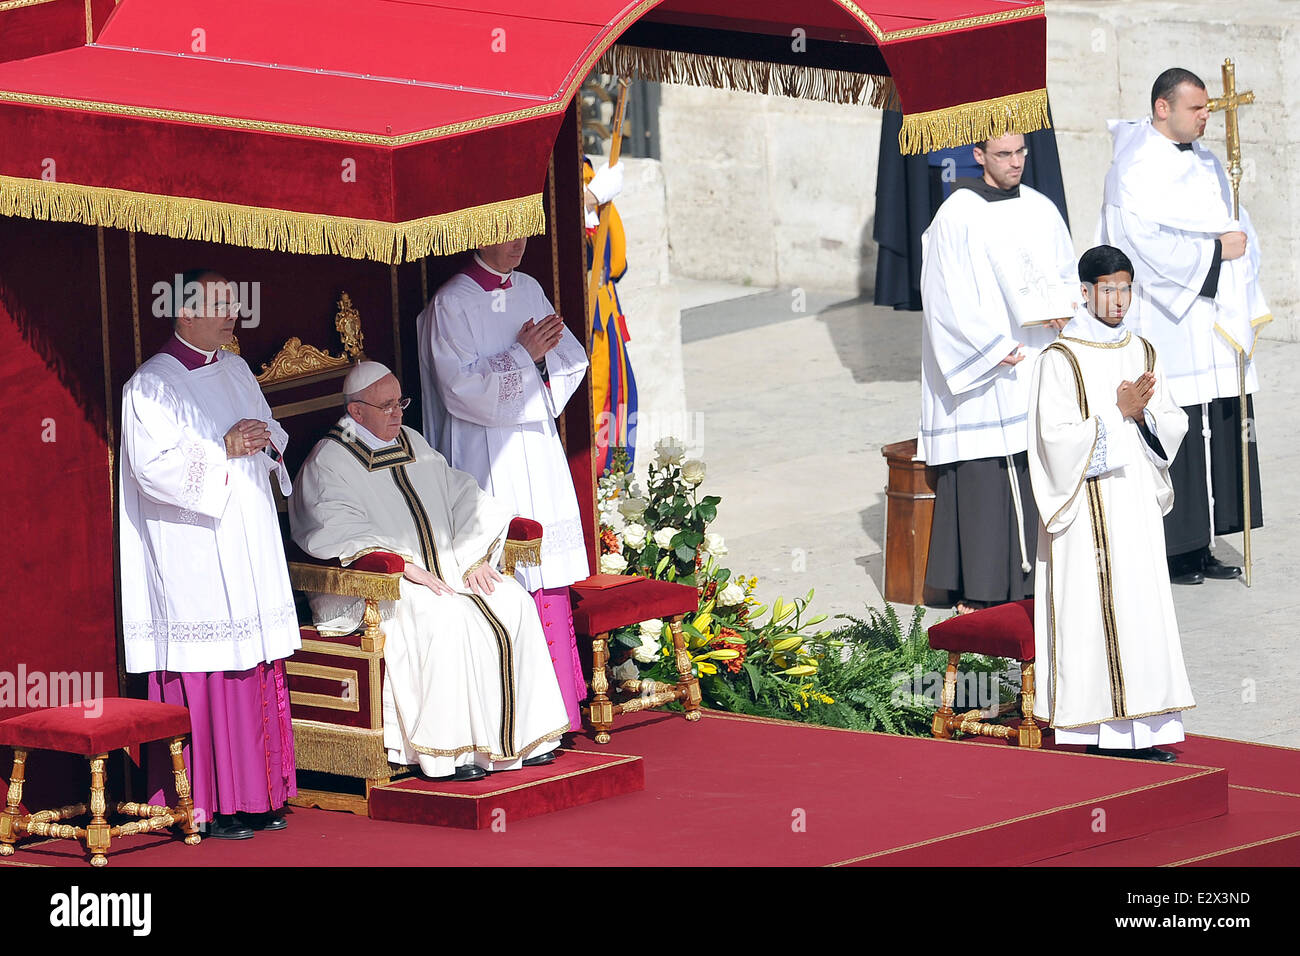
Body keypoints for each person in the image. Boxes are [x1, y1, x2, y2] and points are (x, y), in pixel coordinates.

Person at [289, 362, 570, 781]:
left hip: (448, 566)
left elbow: (461, 494)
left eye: (400, 401)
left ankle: (529, 741)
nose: (398, 412)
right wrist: (401, 566)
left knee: (512, 601)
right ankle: (452, 755)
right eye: (385, 406)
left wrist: (474, 553)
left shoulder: (411, 441)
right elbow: (332, 528)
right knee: (445, 616)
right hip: (381, 584)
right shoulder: (329, 460)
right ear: (356, 411)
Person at [119, 269, 298, 839]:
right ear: (185, 313)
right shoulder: (151, 386)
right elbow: (152, 470)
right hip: (194, 547)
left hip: (248, 537)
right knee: (213, 665)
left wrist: (263, 441)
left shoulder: (238, 368)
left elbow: (270, 432)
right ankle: (205, 804)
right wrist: (223, 447)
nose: (234, 316)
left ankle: (258, 794)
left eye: (235, 305)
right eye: (222, 306)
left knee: (253, 656)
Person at [1098, 67, 1268, 586]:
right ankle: (1179, 548)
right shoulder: (1133, 168)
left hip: (1214, 320)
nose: (1206, 117)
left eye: (1207, 108)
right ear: (1162, 108)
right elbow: (1140, 249)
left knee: (1223, 423)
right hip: (1169, 316)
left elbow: (1240, 226)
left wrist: (1240, 259)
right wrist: (1214, 253)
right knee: (1181, 430)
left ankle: (1213, 537)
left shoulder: (1210, 161)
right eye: (1197, 109)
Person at [1027, 245, 1194, 761]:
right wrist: (1117, 414)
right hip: (1085, 510)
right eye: (1108, 289)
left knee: (1140, 611)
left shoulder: (1143, 350)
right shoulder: (1060, 359)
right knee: (1090, 616)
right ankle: (1093, 734)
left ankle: (1143, 731)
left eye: (1125, 288)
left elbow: (1171, 421)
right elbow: (1051, 442)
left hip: (1135, 506)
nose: (1118, 300)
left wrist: (1142, 418)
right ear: (1085, 292)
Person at [416, 239, 591, 732]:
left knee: (545, 570)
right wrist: (522, 355)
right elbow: (459, 389)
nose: (519, 245)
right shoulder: (453, 303)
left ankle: (561, 708)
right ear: (483, 235)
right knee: (503, 575)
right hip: (486, 451)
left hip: (535, 442)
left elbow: (568, 361)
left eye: (523, 233)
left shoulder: (530, 288)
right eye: (508, 235)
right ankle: (515, 720)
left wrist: (537, 362)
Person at [918, 132, 1078, 613]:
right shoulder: (958, 212)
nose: (1016, 162)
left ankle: (1037, 579)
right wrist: (987, 347)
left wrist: (1065, 307)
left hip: (1035, 355)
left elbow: (1065, 273)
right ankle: (984, 586)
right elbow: (943, 293)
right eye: (1004, 154)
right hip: (990, 367)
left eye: (1022, 152)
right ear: (978, 156)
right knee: (987, 471)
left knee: (1034, 457)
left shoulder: (1041, 207)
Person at [583, 157, 638, 472]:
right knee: (592, 405)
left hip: (604, 312)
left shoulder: (586, 170)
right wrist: (592, 198)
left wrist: (598, 199)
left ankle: (608, 490)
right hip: (580, 313)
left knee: (615, 405)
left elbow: (615, 261)